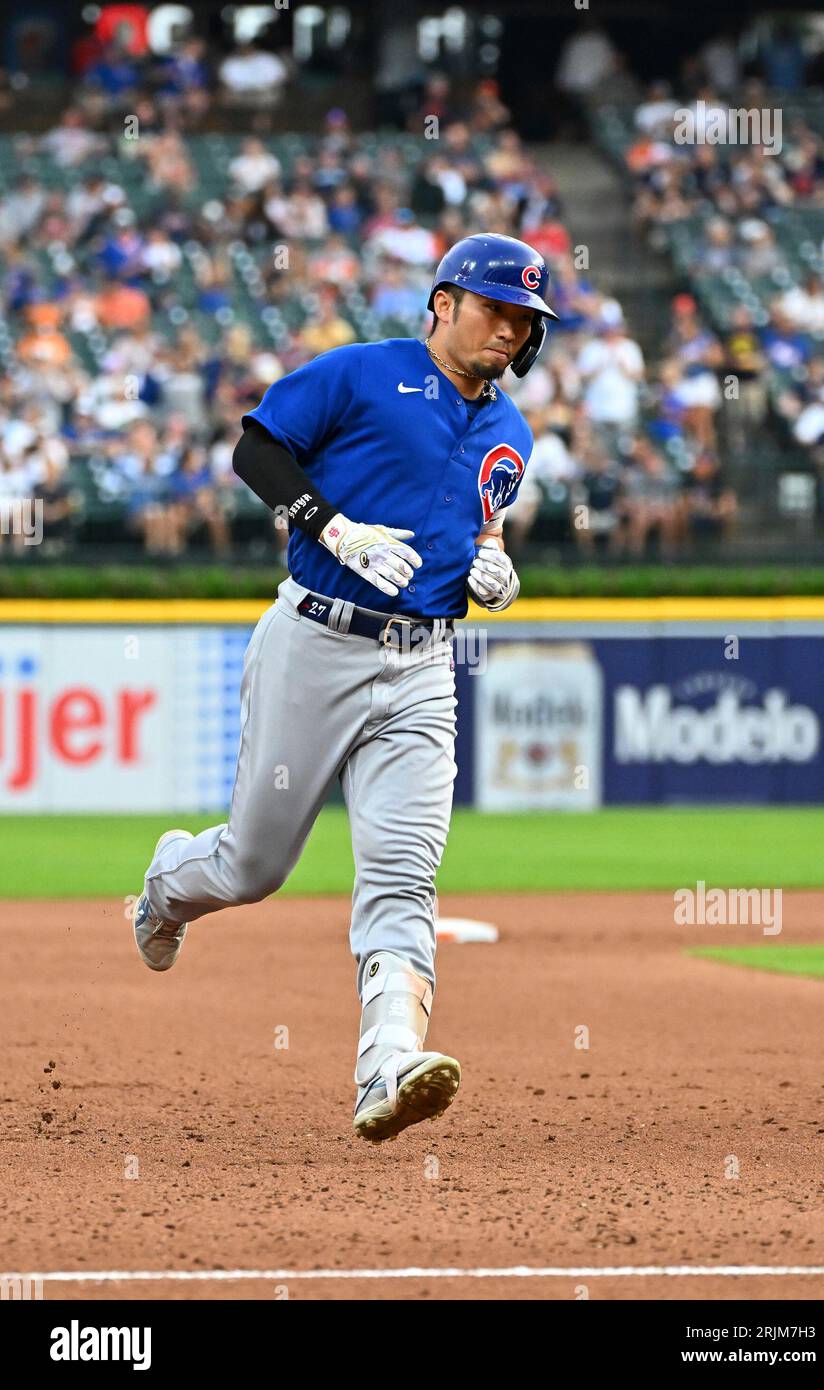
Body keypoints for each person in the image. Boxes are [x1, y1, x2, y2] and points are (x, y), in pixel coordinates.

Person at [133, 234, 556, 1143]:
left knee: (404, 879)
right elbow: (257, 452)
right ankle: (169, 883)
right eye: (495, 308)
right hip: (316, 640)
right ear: (443, 302)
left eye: (525, 319)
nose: (510, 329)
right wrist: (332, 528)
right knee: (253, 867)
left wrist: (494, 568)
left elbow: (476, 533)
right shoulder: (362, 373)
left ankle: (387, 1066)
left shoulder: (511, 432)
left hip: (423, 668)